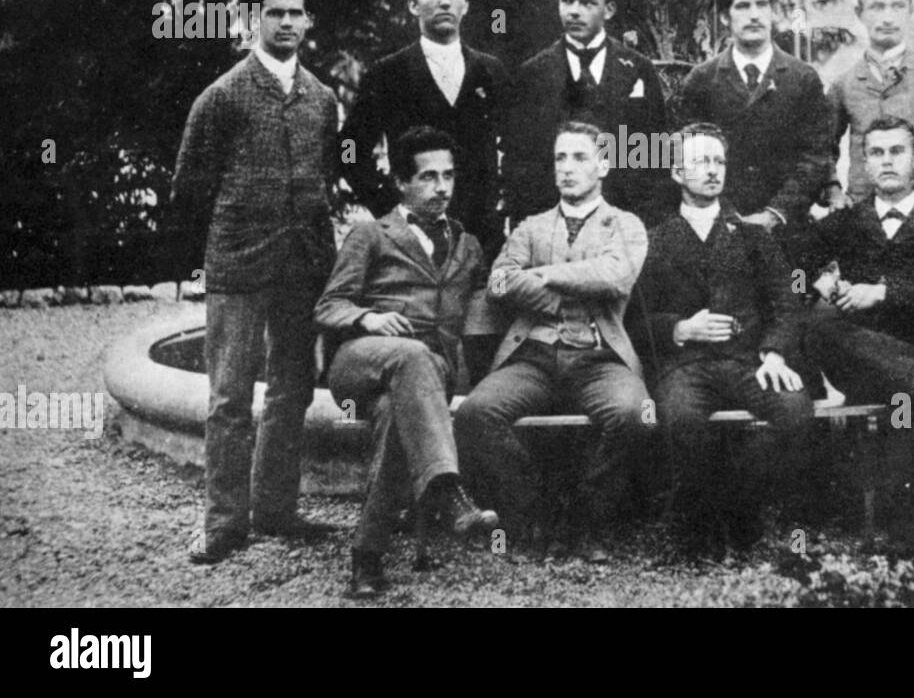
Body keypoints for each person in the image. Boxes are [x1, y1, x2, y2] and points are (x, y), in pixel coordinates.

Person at [171, 0, 339, 564]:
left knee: (292, 389)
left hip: (302, 266)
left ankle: (276, 509)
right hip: (238, 265)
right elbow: (189, 189)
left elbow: (325, 180)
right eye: (275, 13)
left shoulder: (321, 99)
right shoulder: (222, 96)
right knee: (229, 397)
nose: (287, 23)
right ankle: (223, 523)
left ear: (309, 21)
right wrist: (212, 258)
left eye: (296, 13)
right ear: (254, 20)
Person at [315, 127, 498, 597]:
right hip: (361, 363)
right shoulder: (370, 234)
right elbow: (328, 307)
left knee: (402, 409)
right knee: (412, 357)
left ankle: (367, 558)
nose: (442, 188)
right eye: (429, 177)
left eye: (449, 176)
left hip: (425, 378)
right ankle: (450, 492)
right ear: (400, 182)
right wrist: (370, 318)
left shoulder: (468, 245)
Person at [457, 122, 651, 561]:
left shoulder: (626, 224)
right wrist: (566, 287)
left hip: (600, 356)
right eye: (560, 158)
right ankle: (530, 517)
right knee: (475, 414)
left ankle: (588, 521)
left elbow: (616, 275)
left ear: (603, 164)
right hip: (534, 355)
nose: (567, 169)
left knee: (637, 413)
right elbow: (499, 284)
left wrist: (545, 274)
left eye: (580, 158)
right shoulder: (531, 226)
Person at [634, 123, 812, 561]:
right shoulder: (652, 240)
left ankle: (739, 507)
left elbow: (787, 303)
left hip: (748, 362)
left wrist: (773, 352)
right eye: (700, 162)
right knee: (681, 420)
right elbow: (633, 319)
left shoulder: (752, 236)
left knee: (795, 410)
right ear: (677, 172)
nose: (712, 172)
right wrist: (678, 328)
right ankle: (696, 534)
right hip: (686, 367)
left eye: (718, 162)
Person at [802, 116, 914, 549]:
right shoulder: (844, 222)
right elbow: (791, 266)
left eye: (897, 151)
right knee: (820, 323)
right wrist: (814, 282)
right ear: (862, 163)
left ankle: (908, 547)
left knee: (909, 401)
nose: (887, 161)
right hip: (864, 360)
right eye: (876, 153)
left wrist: (882, 294)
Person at [341, 0, 508, 259]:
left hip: (482, 238)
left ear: (466, 5)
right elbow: (349, 148)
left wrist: (501, 203)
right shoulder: (386, 74)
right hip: (411, 241)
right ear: (413, 5)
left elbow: (516, 146)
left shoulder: (490, 71)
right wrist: (388, 205)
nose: (445, 2)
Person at [501, 0, 667, 227]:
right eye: (567, 1)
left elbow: (655, 155)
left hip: (622, 224)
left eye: (587, 3)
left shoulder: (637, 69)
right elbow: (520, 164)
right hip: (554, 225)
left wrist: (647, 226)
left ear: (609, 10)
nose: (574, 11)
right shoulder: (533, 74)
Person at [674, 0, 834, 239]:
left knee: (791, 282)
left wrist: (776, 213)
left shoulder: (802, 79)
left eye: (762, 4)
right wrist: (726, 214)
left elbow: (815, 157)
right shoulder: (702, 80)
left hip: (787, 230)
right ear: (725, 17)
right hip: (719, 228)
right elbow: (689, 154)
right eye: (743, 6)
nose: (754, 15)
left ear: (773, 12)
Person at [825, 0, 914, 208]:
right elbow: (823, 149)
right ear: (859, 13)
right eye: (877, 7)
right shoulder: (844, 85)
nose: (888, 17)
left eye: (897, 6)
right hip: (864, 213)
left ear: (910, 10)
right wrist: (833, 190)